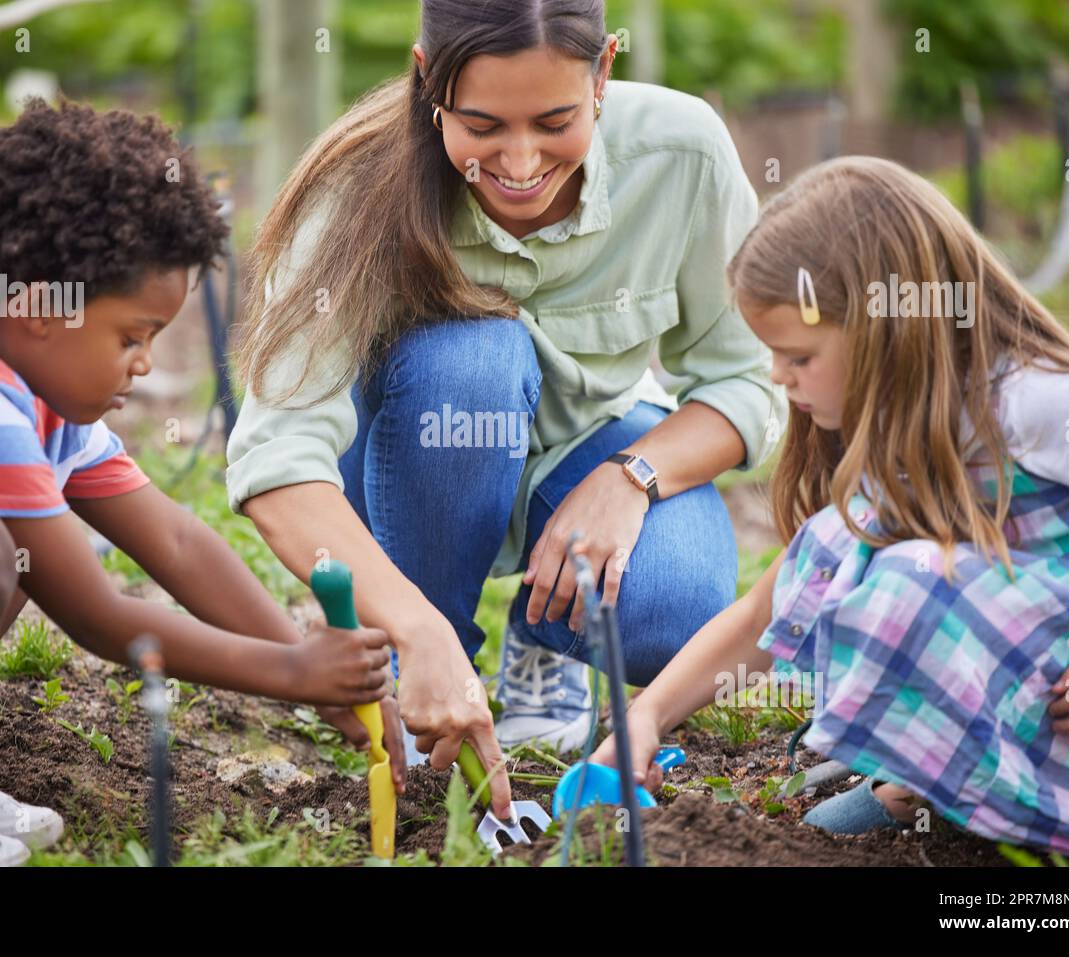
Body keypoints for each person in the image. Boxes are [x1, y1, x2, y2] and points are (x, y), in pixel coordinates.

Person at [225, 0, 784, 817]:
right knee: (476, 360)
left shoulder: (682, 153)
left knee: (678, 608)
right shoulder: (356, 188)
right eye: (482, 126)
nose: (519, 162)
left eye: (553, 120)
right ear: (429, 81)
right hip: (403, 455)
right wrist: (420, 635)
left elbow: (748, 379)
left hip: (588, 443)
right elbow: (277, 461)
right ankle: (430, 653)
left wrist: (631, 477)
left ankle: (539, 637)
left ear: (603, 72)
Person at [0, 99, 403, 866]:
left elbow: (175, 539)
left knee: (29, 544)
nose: (145, 363)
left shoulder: (32, 401)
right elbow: (98, 618)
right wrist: (292, 672)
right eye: (131, 336)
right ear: (37, 308)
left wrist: (313, 665)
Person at [595, 156, 1069, 852]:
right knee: (837, 542)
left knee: (907, 580)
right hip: (1058, 693)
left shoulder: (1039, 403)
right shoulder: (902, 434)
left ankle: (980, 791)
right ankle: (942, 784)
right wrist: (646, 716)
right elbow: (766, 607)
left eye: (800, 357)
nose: (781, 380)